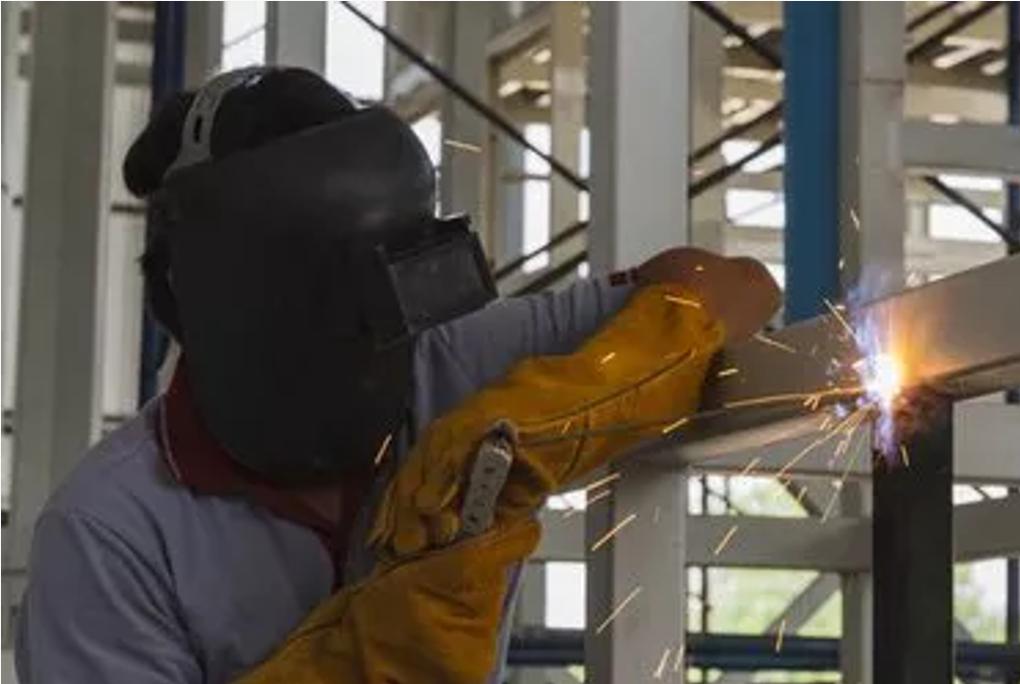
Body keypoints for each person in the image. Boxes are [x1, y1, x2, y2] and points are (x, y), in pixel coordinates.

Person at [15, 67, 779, 683]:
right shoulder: (110, 536)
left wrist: (561, 410)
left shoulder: (450, 361)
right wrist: (378, 649)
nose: (373, 336)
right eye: (331, 301)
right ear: (221, 299)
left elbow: (736, 288)